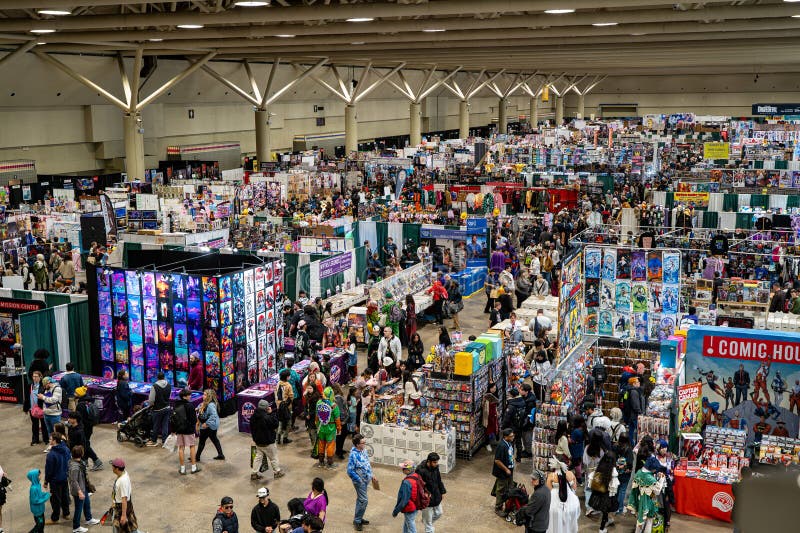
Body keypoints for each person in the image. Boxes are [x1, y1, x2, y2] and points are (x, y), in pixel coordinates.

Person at [627, 457, 666, 533]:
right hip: (649, 500)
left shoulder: (639, 472)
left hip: (640, 499)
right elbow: (657, 491)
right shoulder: (649, 478)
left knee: (640, 520)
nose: (655, 471)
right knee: (649, 520)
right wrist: (661, 479)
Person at [68, 445, 100, 533]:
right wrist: (79, 492)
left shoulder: (79, 462)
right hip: (79, 491)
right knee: (78, 508)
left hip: (83, 488)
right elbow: (74, 481)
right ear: (81, 454)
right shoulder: (74, 467)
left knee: (87, 503)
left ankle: (89, 519)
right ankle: (76, 527)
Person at [347, 433, 375, 531]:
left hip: (366, 480)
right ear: (357, 444)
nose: (364, 444)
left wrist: (372, 475)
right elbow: (350, 471)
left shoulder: (364, 451)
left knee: (360, 500)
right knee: (364, 500)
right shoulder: (353, 455)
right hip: (359, 482)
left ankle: (358, 517)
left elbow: (367, 464)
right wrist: (359, 480)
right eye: (363, 443)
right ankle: (357, 521)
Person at [250, 399, 284, 480]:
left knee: (258, 457)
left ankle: (254, 473)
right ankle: (277, 472)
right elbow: (275, 424)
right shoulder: (266, 417)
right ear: (266, 407)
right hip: (268, 442)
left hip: (258, 442)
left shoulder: (253, 416)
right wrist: (271, 413)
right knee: (273, 457)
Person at [544, 457, 580, 533]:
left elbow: (548, 490)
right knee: (567, 521)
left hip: (554, 503)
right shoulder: (571, 474)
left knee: (555, 520)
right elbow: (574, 488)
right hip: (570, 502)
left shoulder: (551, 476)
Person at [588, 453, 619, 533]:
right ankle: (601, 529)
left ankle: (609, 520)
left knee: (604, 511)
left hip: (598, 493)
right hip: (607, 495)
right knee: (606, 511)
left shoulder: (599, 467)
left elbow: (592, 481)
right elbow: (613, 487)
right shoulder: (613, 471)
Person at [416, 452, 446, 533]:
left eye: (437, 462)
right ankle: (428, 526)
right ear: (429, 461)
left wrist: (442, 491)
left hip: (436, 495)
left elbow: (439, 480)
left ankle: (426, 522)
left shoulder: (436, 468)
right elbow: (418, 485)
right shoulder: (420, 471)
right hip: (426, 499)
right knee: (428, 522)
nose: (436, 464)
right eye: (434, 462)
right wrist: (424, 494)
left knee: (439, 513)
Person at [44, 432, 70, 525]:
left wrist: (46, 481)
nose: (49, 440)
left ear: (55, 441)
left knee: (55, 500)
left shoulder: (51, 455)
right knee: (65, 496)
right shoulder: (66, 449)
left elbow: (49, 470)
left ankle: (55, 518)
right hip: (65, 477)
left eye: (50, 439)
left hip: (55, 481)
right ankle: (66, 514)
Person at [172, 388, 200, 475]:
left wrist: (174, 430)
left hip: (179, 429)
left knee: (181, 448)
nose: (190, 396)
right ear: (185, 396)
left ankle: (182, 469)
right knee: (192, 446)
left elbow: (174, 418)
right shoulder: (190, 405)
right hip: (189, 430)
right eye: (189, 395)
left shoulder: (176, 404)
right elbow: (194, 420)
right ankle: (193, 467)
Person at [74, 388, 102, 470]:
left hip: (84, 428)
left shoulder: (80, 405)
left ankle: (96, 461)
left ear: (79, 394)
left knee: (85, 445)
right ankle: (85, 460)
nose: (74, 394)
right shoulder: (88, 401)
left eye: (76, 392)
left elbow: (79, 418)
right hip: (89, 426)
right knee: (86, 443)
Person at [392, 460, 423, 533]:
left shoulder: (406, 482)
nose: (402, 469)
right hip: (416, 505)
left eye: (404, 468)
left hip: (409, 507)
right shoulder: (416, 476)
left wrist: (396, 511)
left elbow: (404, 500)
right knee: (407, 522)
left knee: (411, 526)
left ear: (409, 470)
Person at [316, 386, 342, 468]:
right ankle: (330, 463)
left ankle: (321, 461)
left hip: (321, 427)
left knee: (321, 443)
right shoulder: (334, 405)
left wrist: (317, 425)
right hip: (331, 428)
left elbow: (317, 416)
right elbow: (337, 419)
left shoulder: (319, 402)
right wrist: (339, 428)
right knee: (330, 445)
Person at [492, 428, 516, 515]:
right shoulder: (501, 446)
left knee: (509, 488)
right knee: (501, 490)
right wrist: (506, 469)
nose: (513, 437)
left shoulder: (509, 443)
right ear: (506, 437)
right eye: (511, 436)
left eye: (513, 435)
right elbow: (497, 460)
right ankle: (498, 508)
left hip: (509, 471)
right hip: (503, 472)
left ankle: (508, 505)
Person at [197, 388, 225, 462]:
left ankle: (197, 457)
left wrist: (206, 423)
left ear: (209, 396)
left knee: (202, 441)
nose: (203, 396)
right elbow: (203, 407)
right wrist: (198, 408)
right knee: (214, 439)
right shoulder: (208, 402)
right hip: (213, 425)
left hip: (209, 426)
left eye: (205, 395)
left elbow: (213, 415)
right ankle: (221, 455)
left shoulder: (211, 405)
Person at [520, 469, 550, 533]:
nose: (532, 481)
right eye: (532, 479)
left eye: (534, 479)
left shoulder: (538, 493)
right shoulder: (546, 489)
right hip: (543, 524)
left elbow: (529, 511)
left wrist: (522, 510)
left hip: (536, 526)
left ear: (541, 480)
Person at [146, 371, 171, 447]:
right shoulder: (169, 385)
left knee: (156, 425)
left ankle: (154, 441)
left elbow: (151, 400)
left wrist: (151, 405)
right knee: (165, 425)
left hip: (157, 409)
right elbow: (169, 396)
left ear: (157, 377)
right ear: (164, 377)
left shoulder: (154, 386)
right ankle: (164, 441)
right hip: (167, 407)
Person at [25, 369, 49, 446]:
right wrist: (26, 408)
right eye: (33, 376)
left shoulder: (43, 386)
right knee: (34, 425)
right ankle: (35, 440)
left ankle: (46, 439)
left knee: (44, 424)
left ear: (40, 377)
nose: (34, 378)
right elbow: (27, 397)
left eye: (36, 376)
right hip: (32, 409)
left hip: (41, 408)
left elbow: (47, 397)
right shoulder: (30, 385)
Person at [613, 434, 634, 515]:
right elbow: (630, 462)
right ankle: (620, 509)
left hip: (617, 471)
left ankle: (615, 508)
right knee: (622, 490)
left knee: (617, 489)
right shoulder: (628, 449)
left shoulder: (615, 447)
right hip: (625, 472)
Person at [27, 469, 51, 533]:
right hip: (37, 512)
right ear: (34, 477)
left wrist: (46, 494)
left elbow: (40, 494)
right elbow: (35, 501)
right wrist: (46, 497)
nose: (40, 476)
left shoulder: (38, 485)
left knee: (42, 524)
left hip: (41, 510)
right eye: (38, 475)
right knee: (39, 525)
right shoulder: (33, 489)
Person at [275, 370, 295, 445]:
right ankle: (285, 438)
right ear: (287, 377)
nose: (290, 377)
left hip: (279, 407)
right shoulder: (288, 385)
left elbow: (276, 394)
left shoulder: (278, 384)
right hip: (287, 408)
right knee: (288, 423)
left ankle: (278, 439)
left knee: (280, 422)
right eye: (289, 376)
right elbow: (291, 396)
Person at [623, 377, 644, 445]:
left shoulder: (629, 390)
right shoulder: (634, 392)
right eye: (637, 382)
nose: (639, 383)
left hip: (631, 414)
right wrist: (640, 412)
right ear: (634, 384)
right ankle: (634, 444)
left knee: (631, 430)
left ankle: (630, 443)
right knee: (637, 430)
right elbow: (635, 405)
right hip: (634, 415)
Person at [482, 382, 500, 452]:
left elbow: (496, 405)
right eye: (492, 388)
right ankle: (487, 444)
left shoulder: (496, 395)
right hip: (487, 416)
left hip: (494, 415)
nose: (493, 390)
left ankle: (494, 440)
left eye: (495, 388)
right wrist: (483, 401)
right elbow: (483, 406)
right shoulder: (486, 395)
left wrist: (497, 411)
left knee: (495, 428)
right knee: (487, 430)